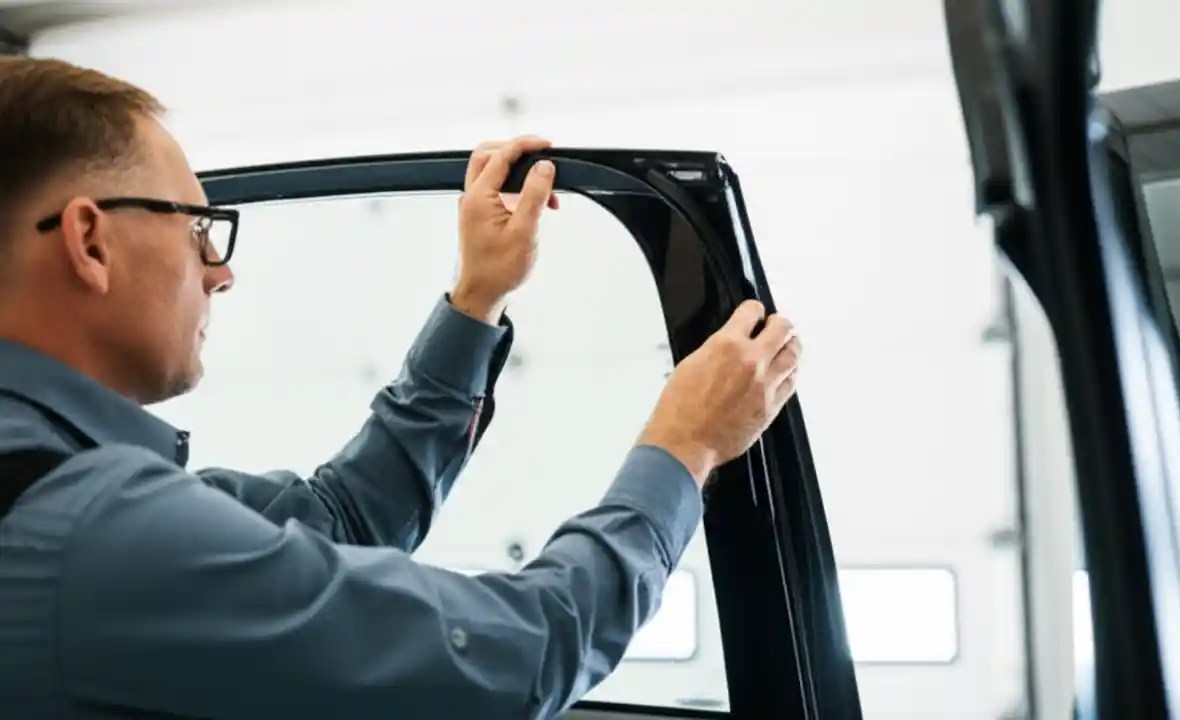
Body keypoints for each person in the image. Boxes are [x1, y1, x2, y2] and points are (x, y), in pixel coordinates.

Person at [0, 57, 802, 718]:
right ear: (90, 241)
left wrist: (477, 298)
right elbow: (524, 653)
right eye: (197, 227)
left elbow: (339, 520)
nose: (220, 271)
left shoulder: (49, 489)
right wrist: (685, 445)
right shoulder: (96, 539)